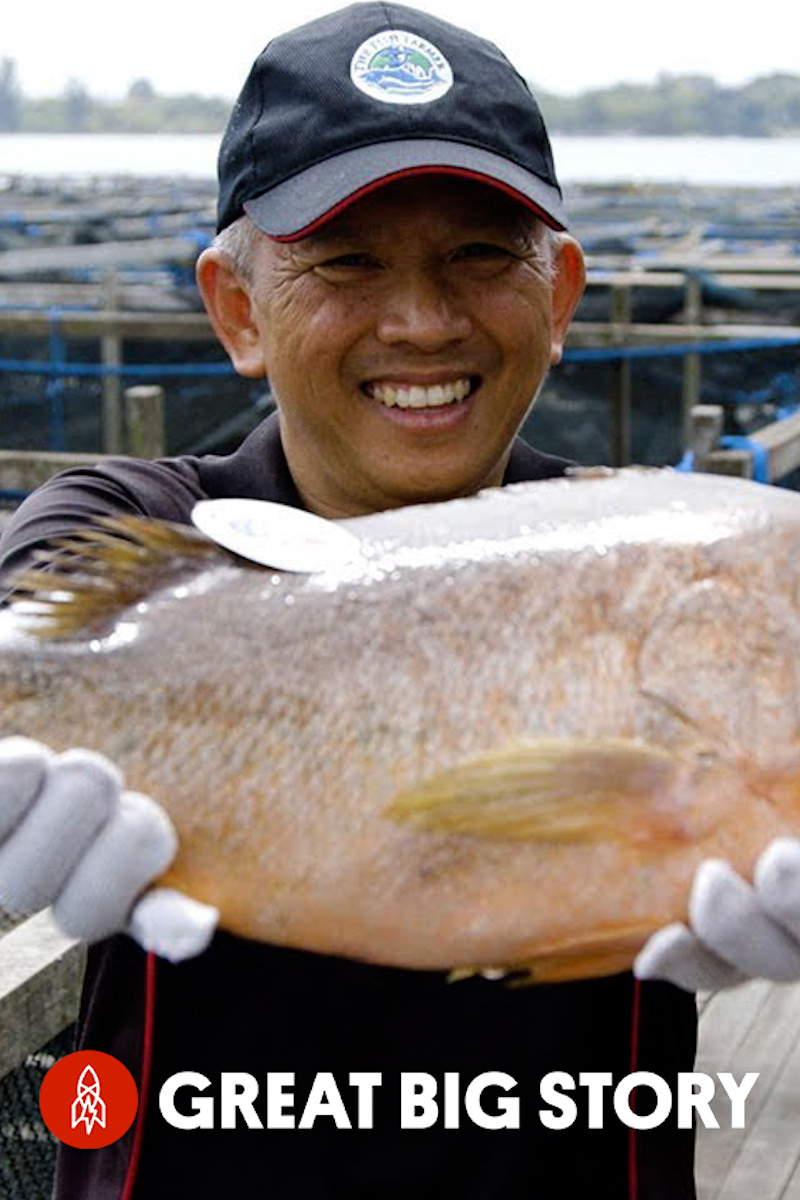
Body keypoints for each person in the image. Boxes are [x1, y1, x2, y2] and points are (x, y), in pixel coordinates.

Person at [2, 5, 800, 1197]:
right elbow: (38, 607)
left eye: (481, 255)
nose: (421, 320)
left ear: (560, 293)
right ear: (234, 308)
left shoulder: (647, 540)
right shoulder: (138, 523)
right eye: (346, 261)